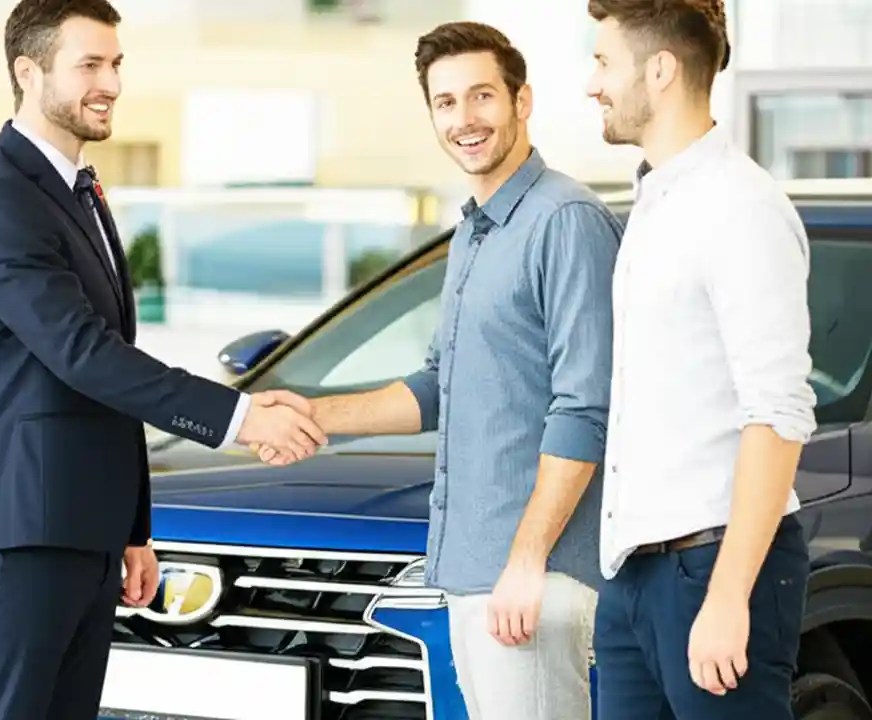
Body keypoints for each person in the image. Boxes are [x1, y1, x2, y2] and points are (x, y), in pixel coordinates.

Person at [0, 1, 327, 718]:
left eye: (116, 64)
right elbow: (84, 355)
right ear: (28, 72)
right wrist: (240, 417)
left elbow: (109, 368)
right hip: (24, 535)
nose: (112, 84)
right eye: (89, 65)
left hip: (80, 530)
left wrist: (129, 530)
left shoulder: (75, 192)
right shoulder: (1, 201)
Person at [256, 21, 621, 719]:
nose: (464, 119)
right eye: (445, 102)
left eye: (482, 96)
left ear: (522, 101)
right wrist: (311, 415)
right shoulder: (475, 232)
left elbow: (586, 405)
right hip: (472, 570)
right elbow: (438, 387)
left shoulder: (565, 220)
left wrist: (527, 559)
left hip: (535, 574)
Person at [585, 1, 817, 717]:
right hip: (633, 576)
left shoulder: (741, 208)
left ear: (659, 70)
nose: (593, 84)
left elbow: (778, 414)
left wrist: (727, 595)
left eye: (604, 63)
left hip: (713, 571)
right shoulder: (656, 204)